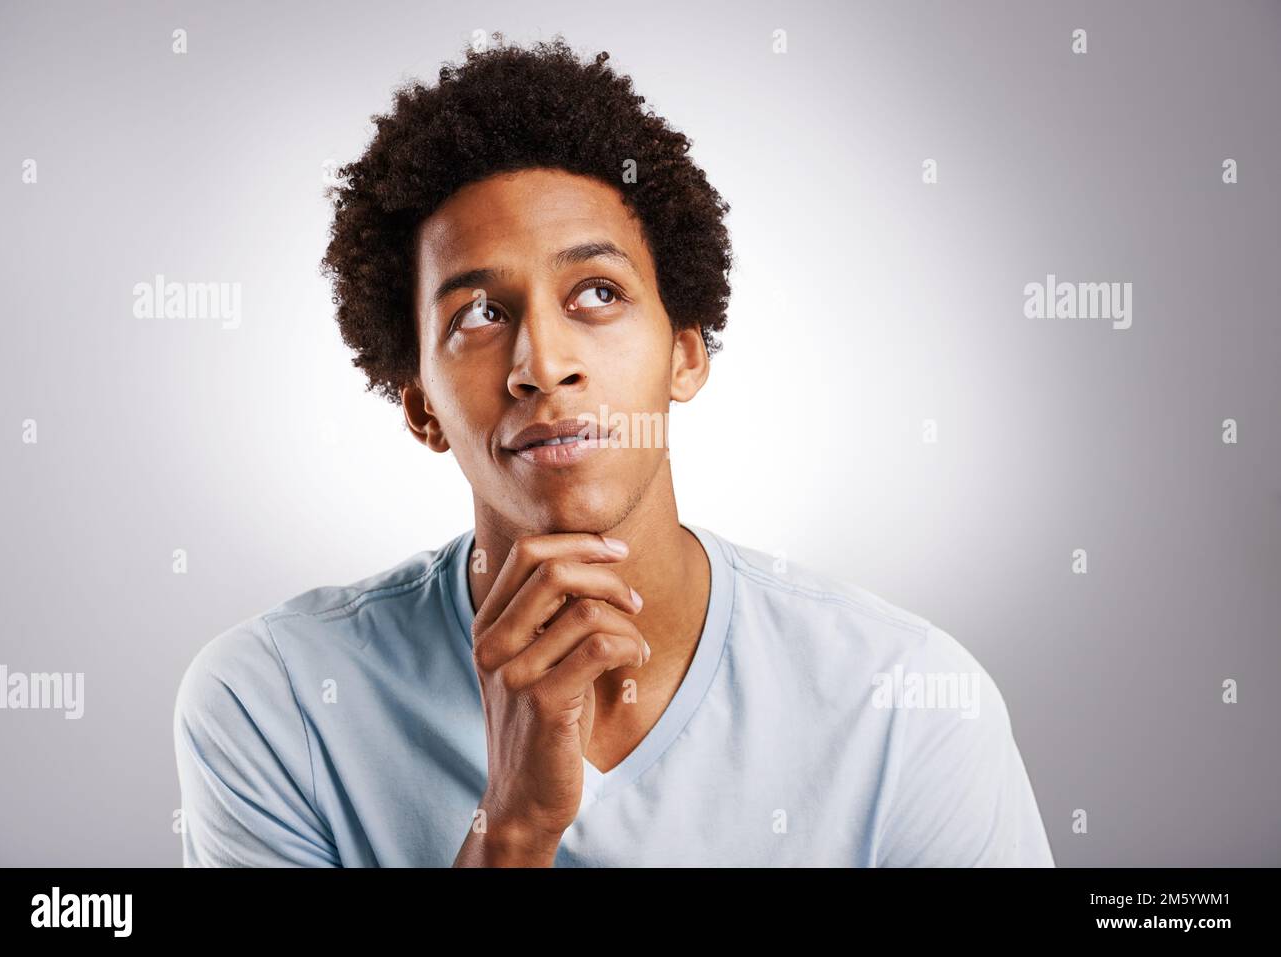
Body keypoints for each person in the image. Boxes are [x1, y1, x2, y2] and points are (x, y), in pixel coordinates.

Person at [173, 35, 1054, 867]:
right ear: (421, 407)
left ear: (686, 352)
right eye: (478, 313)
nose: (543, 365)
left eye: (596, 292)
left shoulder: (906, 702)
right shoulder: (276, 701)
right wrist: (513, 830)